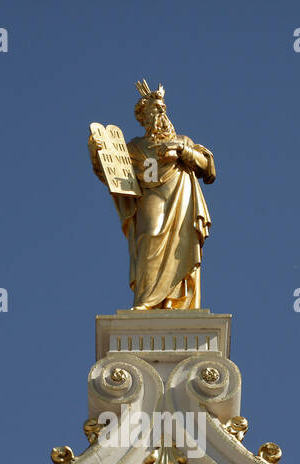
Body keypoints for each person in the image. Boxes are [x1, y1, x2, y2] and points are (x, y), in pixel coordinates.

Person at [89, 80, 215, 310]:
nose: (161, 112)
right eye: (155, 109)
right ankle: (147, 300)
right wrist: (96, 151)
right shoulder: (136, 147)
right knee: (149, 236)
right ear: (144, 117)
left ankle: (172, 301)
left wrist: (183, 151)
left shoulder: (182, 141)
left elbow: (207, 167)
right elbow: (112, 172)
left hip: (180, 193)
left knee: (181, 242)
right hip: (151, 195)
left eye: (162, 108)